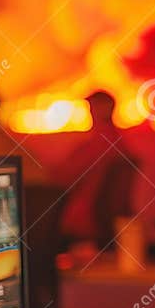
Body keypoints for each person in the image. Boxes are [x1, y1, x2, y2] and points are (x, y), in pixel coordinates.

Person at [58, 91, 139, 251]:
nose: (89, 112)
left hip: (84, 224)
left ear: (104, 109)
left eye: (92, 107)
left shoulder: (100, 143)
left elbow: (63, 176)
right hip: (105, 225)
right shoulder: (120, 142)